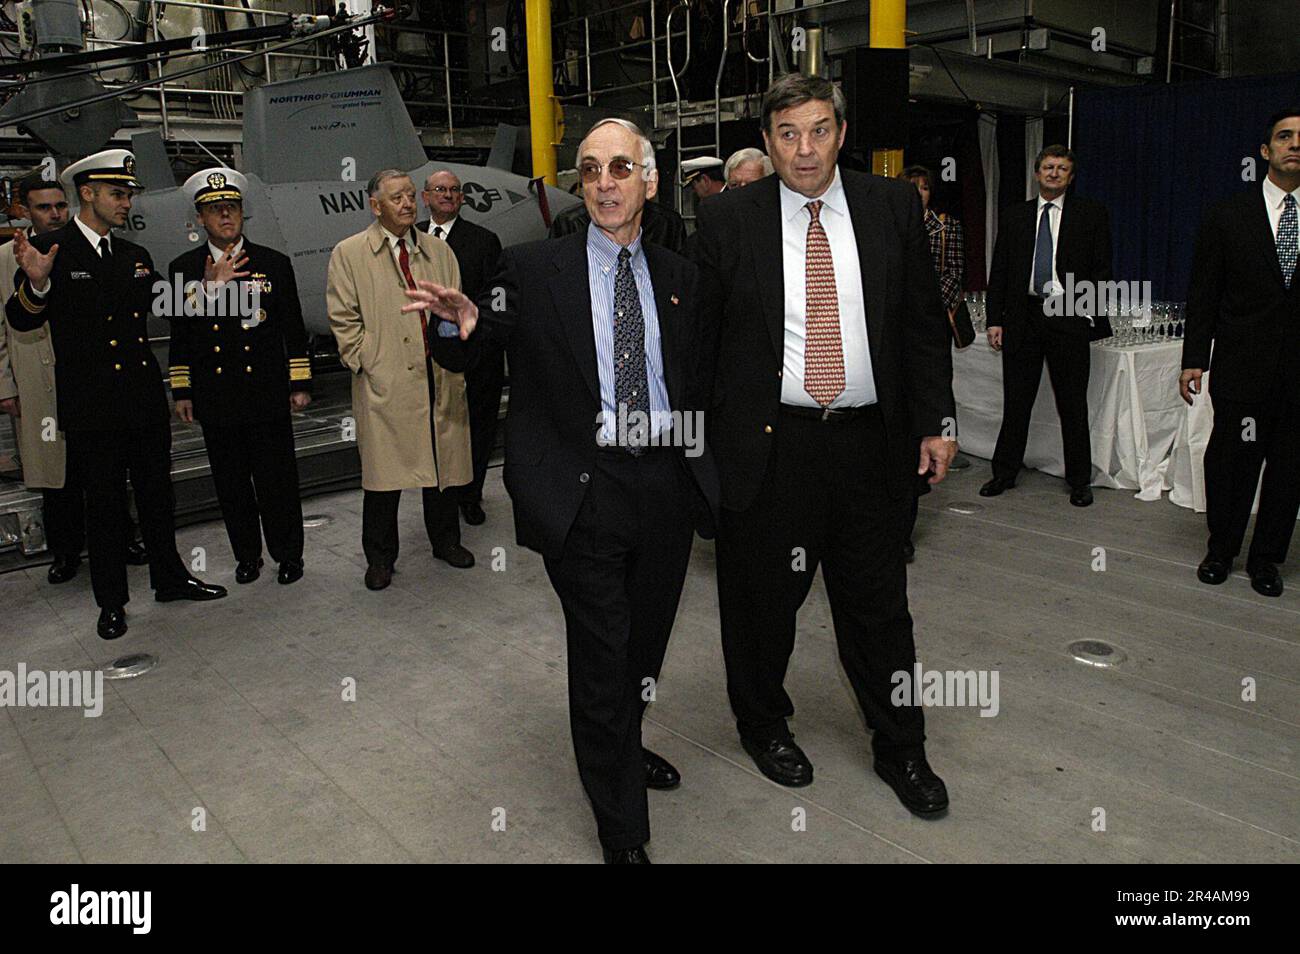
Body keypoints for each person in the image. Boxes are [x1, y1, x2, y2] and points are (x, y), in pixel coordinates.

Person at [402, 117, 719, 863]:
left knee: (642, 651)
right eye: (590, 169)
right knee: (603, 657)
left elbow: (699, 381)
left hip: (665, 487)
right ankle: (622, 827)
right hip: (583, 493)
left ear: (647, 181)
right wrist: (465, 327)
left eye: (619, 168)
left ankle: (622, 747)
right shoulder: (532, 269)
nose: (604, 183)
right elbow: (482, 335)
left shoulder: (682, 279)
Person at [693, 73, 956, 815]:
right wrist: (698, 456)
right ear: (768, 142)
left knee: (880, 610)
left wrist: (937, 421)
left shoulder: (892, 206)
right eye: (787, 133)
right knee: (761, 607)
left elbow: (920, 324)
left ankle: (902, 748)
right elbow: (701, 348)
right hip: (772, 449)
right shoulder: (727, 221)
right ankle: (763, 725)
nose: (804, 149)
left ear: (841, 133)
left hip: (872, 447)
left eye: (817, 130)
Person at [5, 150, 226, 640]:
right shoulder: (52, 250)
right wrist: (37, 284)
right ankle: (112, 602)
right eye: (118, 194)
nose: (127, 203)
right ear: (88, 193)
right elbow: (21, 320)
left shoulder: (134, 256)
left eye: (128, 194)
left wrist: (210, 292)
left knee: (156, 496)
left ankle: (169, 578)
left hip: (142, 400)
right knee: (104, 507)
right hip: (93, 406)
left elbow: (169, 305)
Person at [326, 169, 474, 591]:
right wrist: (368, 360)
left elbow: (454, 307)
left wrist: (454, 353)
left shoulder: (438, 252)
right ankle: (380, 558)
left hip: (437, 375)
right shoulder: (350, 254)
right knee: (383, 479)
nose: (408, 204)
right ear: (376, 206)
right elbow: (343, 318)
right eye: (397, 198)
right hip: (386, 379)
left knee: (442, 468)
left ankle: (446, 541)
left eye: (411, 195)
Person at [167, 167, 311, 586]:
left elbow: (293, 329)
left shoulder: (272, 263)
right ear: (199, 219)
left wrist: (299, 383)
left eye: (232, 208)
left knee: (277, 480)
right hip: (216, 394)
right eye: (215, 210)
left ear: (243, 213)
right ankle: (247, 556)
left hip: (265, 391)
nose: (225, 216)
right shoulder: (184, 268)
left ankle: (288, 554)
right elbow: (181, 332)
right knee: (231, 485)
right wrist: (182, 389)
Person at [1, 173, 148, 584]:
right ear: (26, 211)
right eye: (43, 208)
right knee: (57, 478)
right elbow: (6, 324)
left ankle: (124, 541)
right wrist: (4, 387)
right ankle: (66, 553)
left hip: (91, 383)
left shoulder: (105, 251)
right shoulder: (15, 256)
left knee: (105, 472)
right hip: (38, 381)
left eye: (58, 206)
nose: (53, 214)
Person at [1181, 107, 1300, 598]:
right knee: (1231, 463)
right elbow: (1204, 291)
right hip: (1241, 368)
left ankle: (1267, 560)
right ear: (1265, 150)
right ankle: (1221, 549)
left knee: (1289, 470)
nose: (1296, 144)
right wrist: (1193, 357)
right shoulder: (1227, 213)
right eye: (1285, 136)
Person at [980, 144, 1112, 508]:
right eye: (1049, 167)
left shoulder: (1091, 214)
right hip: (1022, 317)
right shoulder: (1015, 216)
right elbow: (1001, 271)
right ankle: (1004, 473)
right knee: (1016, 403)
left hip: (1068, 315)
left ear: (1071, 176)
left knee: (1072, 405)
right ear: (1037, 173)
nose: (1054, 173)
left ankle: (1080, 480)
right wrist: (995, 320)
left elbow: (1102, 269)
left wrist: (1088, 316)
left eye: (1062, 168)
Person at [417, 169, 504, 527]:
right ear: (425, 197)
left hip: (473, 356)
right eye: (440, 189)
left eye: (454, 190)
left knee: (477, 428)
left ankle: (471, 496)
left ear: (462, 199)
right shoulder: (410, 238)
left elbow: (496, 297)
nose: (448, 195)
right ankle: (441, 496)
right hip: (422, 357)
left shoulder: (484, 240)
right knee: (435, 429)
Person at [900, 163, 971, 561]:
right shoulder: (885, 225)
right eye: (912, 188)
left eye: (924, 189)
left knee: (929, 395)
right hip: (893, 337)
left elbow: (954, 274)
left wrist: (925, 304)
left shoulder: (947, 227)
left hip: (932, 325)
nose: (919, 194)